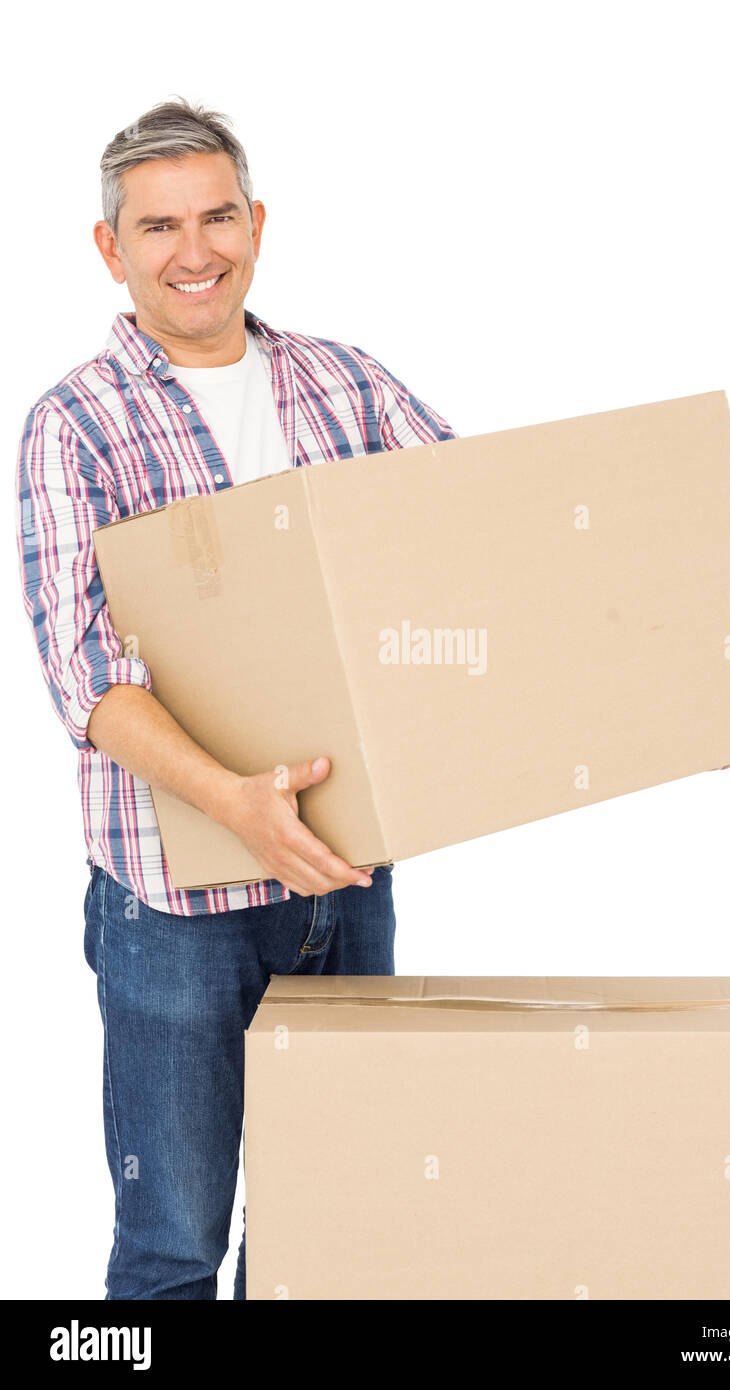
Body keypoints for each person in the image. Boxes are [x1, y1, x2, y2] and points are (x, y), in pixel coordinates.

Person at [15, 98, 457, 1300]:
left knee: (323, 1237)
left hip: (342, 879)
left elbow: (484, 541)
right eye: (159, 226)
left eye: (217, 215)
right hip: (176, 905)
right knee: (172, 1249)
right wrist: (237, 803)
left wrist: (645, 683)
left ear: (256, 224)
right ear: (111, 247)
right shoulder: (76, 425)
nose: (193, 249)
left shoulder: (345, 385)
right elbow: (86, 674)